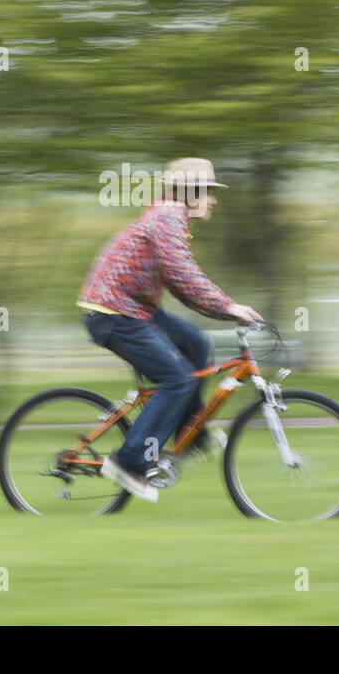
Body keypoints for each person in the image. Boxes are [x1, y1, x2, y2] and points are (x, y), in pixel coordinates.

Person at [78, 158, 263, 502]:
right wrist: (227, 306)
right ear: (191, 192)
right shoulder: (168, 216)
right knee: (178, 379)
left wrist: (223, 308)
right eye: (208, 192)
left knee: (195, 344)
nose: (213, 199)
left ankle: (189, 433)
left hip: (133, 308)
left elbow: (179, 283)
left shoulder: (169, 216)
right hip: (115, 314)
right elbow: (183, 274)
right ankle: (128, 462)